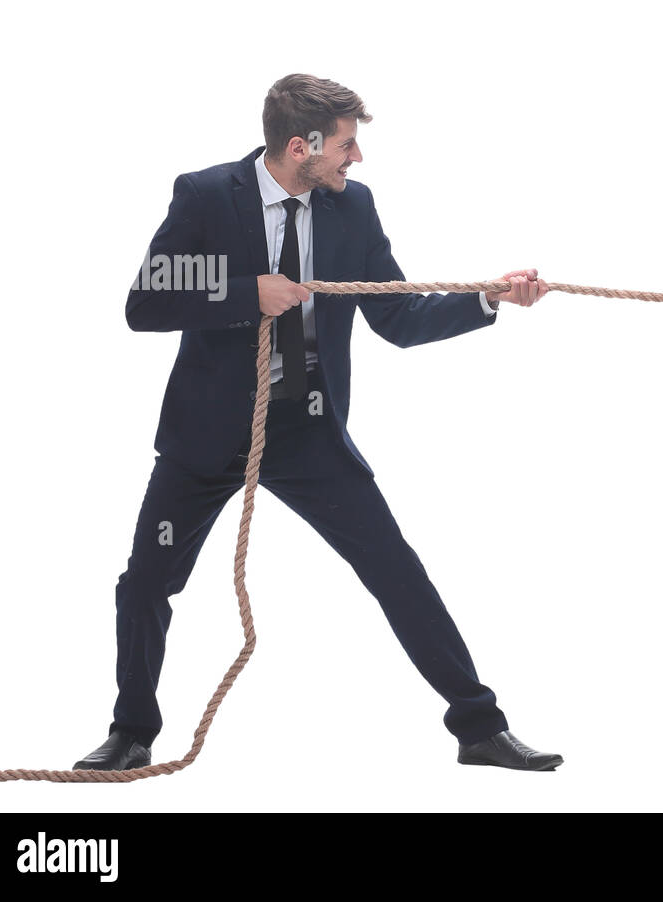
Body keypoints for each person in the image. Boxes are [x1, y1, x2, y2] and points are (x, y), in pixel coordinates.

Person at [74, 73, 562, 772]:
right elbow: (145, 303)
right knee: (146, 583)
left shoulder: (350, 208)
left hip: (306, 432)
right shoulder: (208, 195)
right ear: (300, 146)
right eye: (346, 145)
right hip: (207, 439)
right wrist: (248, 293)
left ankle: (479, 729)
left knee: (396, 570)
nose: (355, 159)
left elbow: (396, 317)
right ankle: (130, 734)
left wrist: (487, 300)